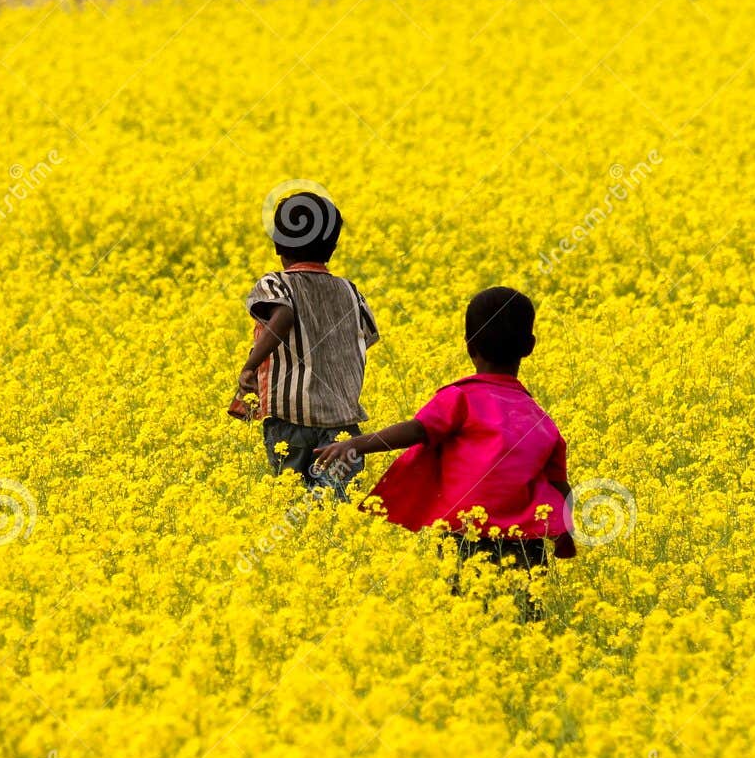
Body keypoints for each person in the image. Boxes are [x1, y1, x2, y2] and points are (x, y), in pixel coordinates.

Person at [313, 286, 576, 573]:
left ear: (469, 345)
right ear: (529, 346)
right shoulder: (541, 419)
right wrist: (566, 531)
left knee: (462, 597)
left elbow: (416, 430)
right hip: (526, 543)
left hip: (465, 536)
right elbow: (559, 485)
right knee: (524, 601)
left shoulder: (460, 397)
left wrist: (355, 444)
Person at [234, 189, 378, 494]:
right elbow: (366, 337)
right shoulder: (351, 291)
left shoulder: (276, 284)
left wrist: (251, 365)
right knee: (335, 501)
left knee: (293, 497)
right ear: (333, 248)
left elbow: (283, 314)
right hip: (342, 427)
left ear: (277, 244)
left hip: (290, 422)